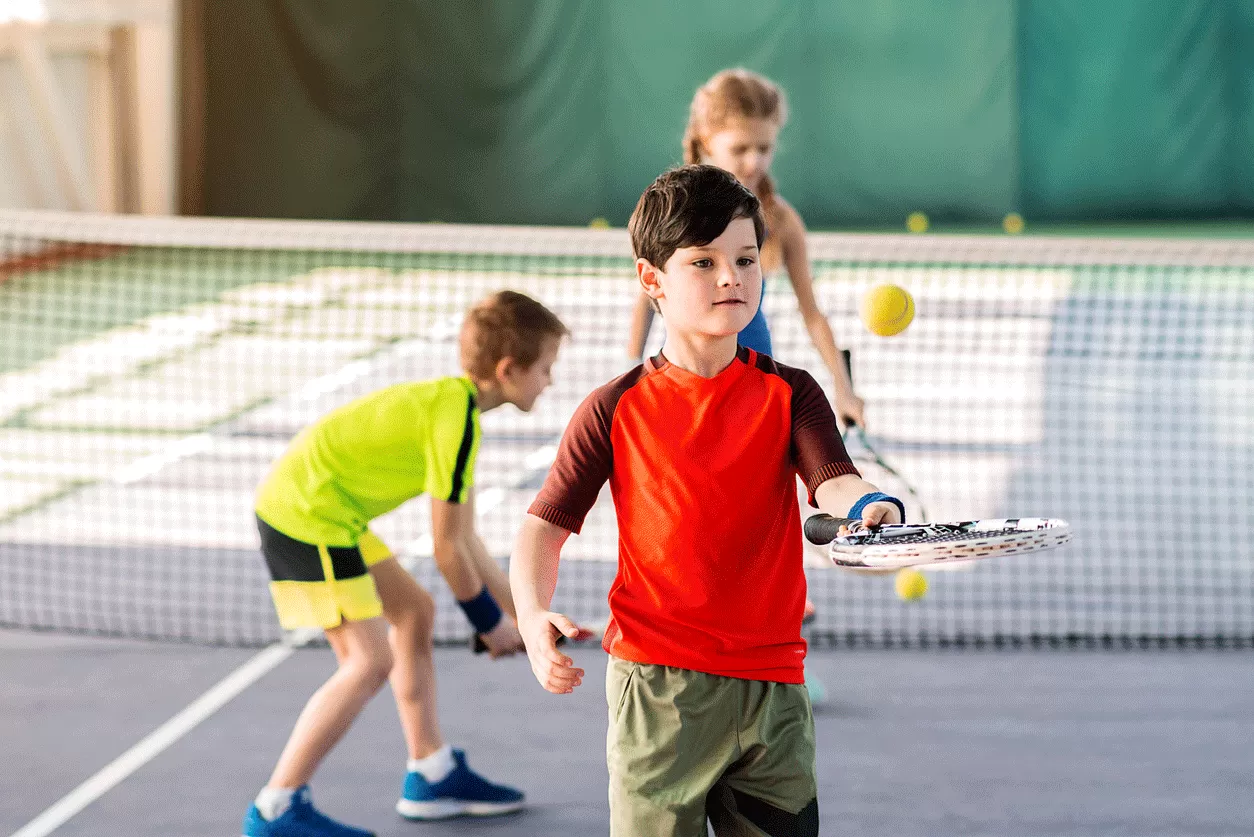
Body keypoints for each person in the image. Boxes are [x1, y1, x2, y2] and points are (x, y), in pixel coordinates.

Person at [512, 165, 904, 837]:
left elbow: (835, 479)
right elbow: (542, 527)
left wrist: (872, 504)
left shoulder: (793, 393)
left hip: (774, 689)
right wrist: (529, 613)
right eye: (705, 261)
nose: (732, 276)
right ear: (651, 279)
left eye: (746, 258)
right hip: (657, 695)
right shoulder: (612, 408)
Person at [243, 290, 567, 837]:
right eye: (545, 369)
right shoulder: (456, 421)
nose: (550, 381)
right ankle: (276, 809)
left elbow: (464, 538)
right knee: (368, 662)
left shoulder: (457, 409)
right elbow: (445, 551)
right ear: (509, 370)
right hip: (307, 515)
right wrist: (491, 624)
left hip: (328, 510)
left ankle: (430, 772)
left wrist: (529, 618)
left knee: (413, 611)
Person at [626, 67, 865, 429]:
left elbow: (812, 314)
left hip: (756, 384)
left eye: (765, 148)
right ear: (706, 141)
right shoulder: (670, 212)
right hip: (686, 378)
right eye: (740, 149)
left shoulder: (782, 220)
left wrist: (843, 388)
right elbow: (646, 300)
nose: (755, 162)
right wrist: (629, 370)